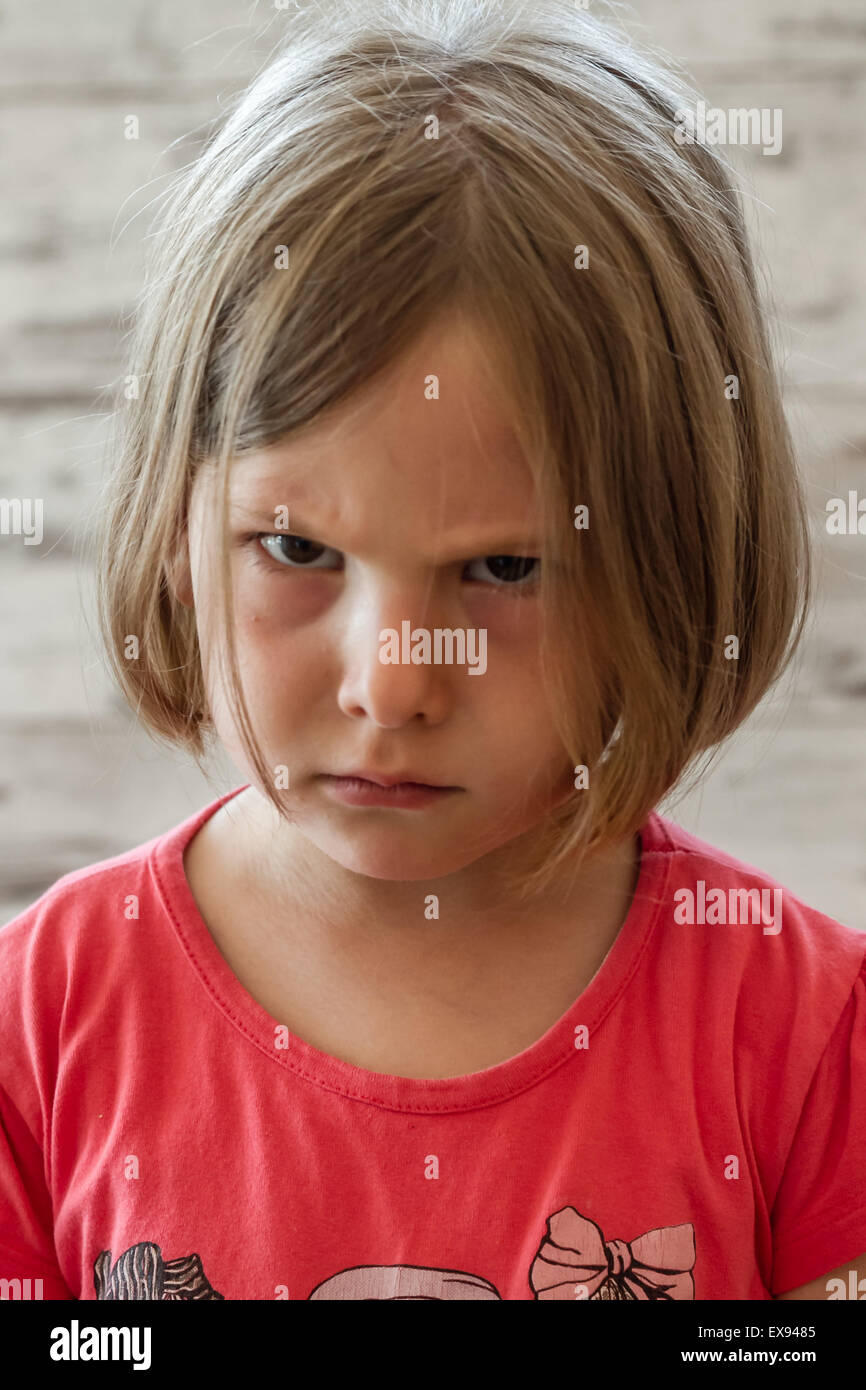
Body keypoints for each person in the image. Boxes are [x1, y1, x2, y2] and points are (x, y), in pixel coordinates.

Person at [1, 0, 863, 1302]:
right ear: (175, 528)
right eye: (296, 551)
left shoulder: (809, 1042)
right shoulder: (38, 1027)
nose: (388, 681)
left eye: (502, 567)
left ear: (678, 561)